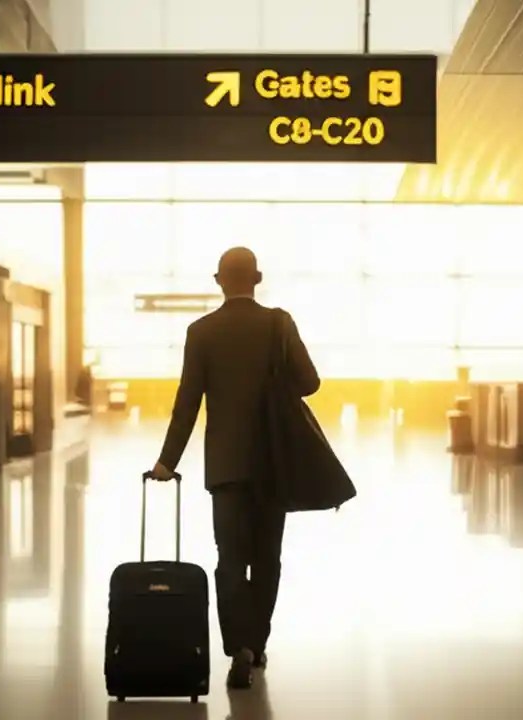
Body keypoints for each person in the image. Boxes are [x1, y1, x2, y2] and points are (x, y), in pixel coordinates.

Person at [149, 246, 320, 690]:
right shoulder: (279, 324)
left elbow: (187, 403)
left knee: (229, 560)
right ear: (257, 279)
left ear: (218, 281)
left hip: (225, 467)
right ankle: (257, 643)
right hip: (272, 463)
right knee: (267, 559)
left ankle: (238, 648)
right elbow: (310, 382)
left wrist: (167, 462)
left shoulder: (201, 332)